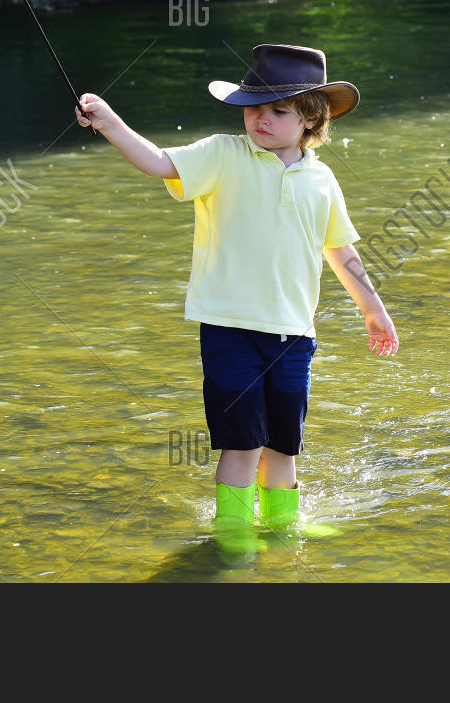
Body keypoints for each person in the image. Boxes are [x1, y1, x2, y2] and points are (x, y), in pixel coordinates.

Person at [75, 43, 398, 546]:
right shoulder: (223, 154)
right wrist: (110, 122)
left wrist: (373, 310)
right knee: (242, 444)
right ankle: (232, 532)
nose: (260, 119)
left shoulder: (322, 179)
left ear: (311, 120)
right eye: (253, 107)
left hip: (294, 336)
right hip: (229, 330)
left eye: (277, 110)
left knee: (283, 448)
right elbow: (160, 162)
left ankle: (283, 525)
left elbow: (340, 250)